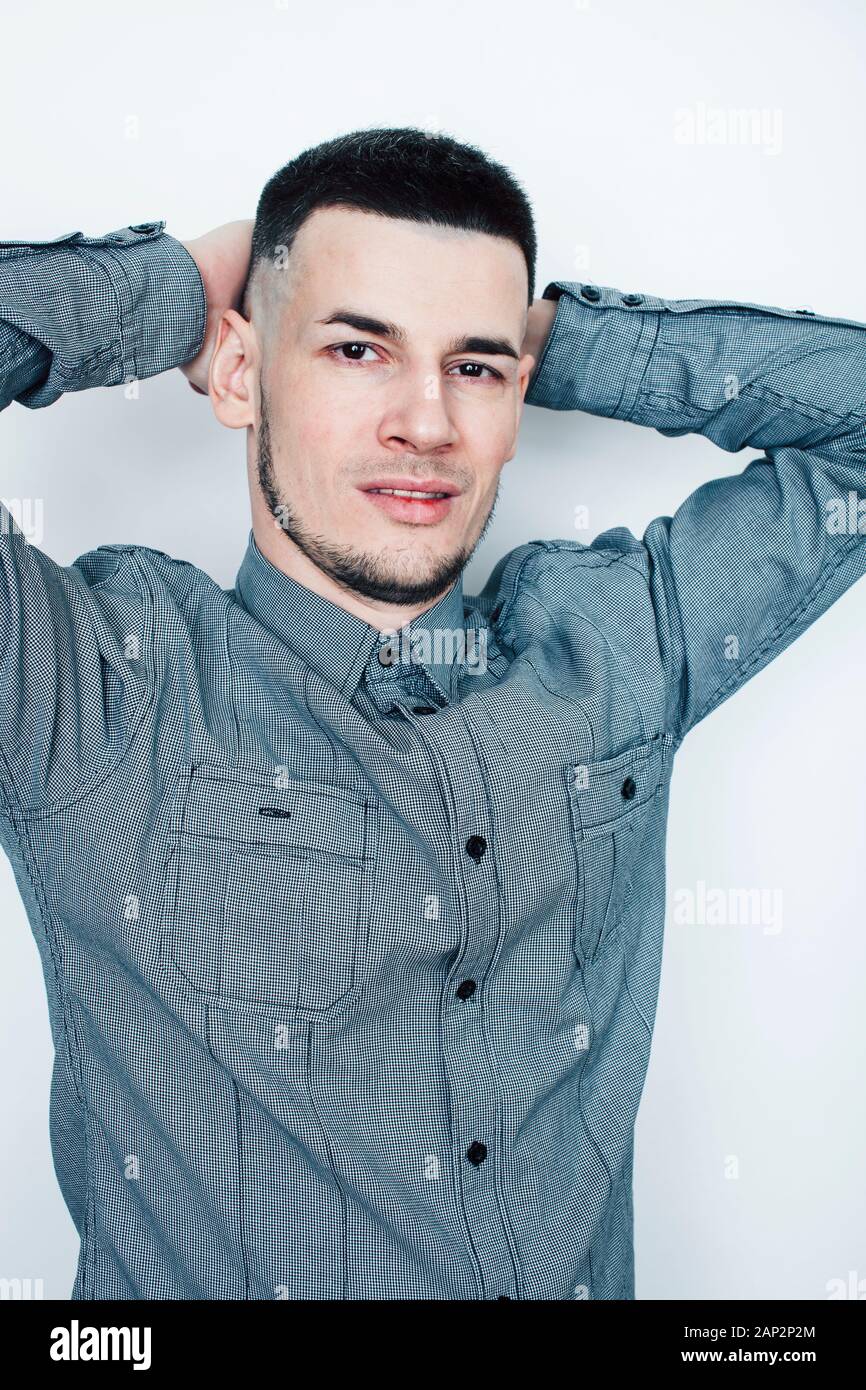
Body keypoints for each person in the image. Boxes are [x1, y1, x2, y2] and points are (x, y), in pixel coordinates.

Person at [0, 126, 863, 1301]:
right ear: (245, 373)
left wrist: (556, 343)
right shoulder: (94, 686)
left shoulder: (606, 652)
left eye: (474, 369)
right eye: (358, 348)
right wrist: (175, 290)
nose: (426, 424)